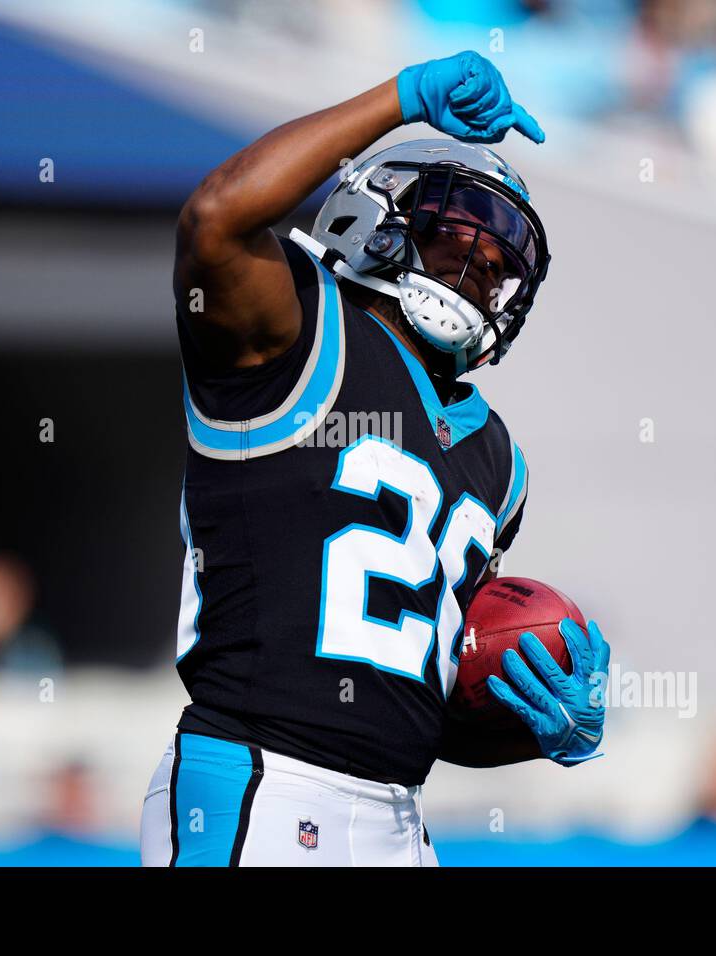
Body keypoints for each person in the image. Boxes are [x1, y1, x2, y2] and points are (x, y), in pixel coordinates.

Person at [141, 51, 611, 866]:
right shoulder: (295, 330)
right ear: (375, 215)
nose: (484, 266)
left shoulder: (498, 461)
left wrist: (540, 727)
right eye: (462, 233)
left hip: (401, 816)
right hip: (263, 777)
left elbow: (409, 702)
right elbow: (216, 217)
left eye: (502, 263)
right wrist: (402, 99)